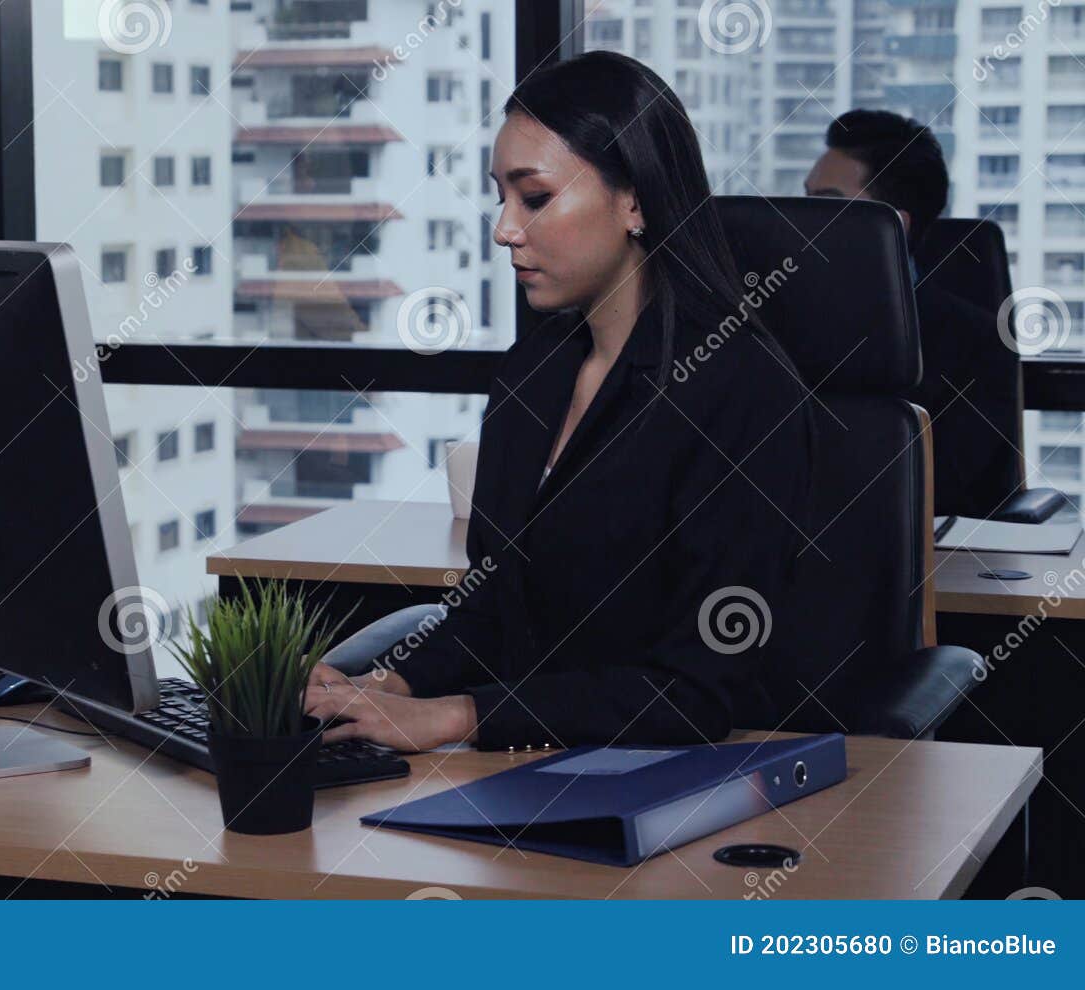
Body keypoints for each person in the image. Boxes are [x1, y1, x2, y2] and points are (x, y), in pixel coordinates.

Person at [304, 52, 815, 752]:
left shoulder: (742, 389)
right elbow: (496, 611)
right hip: (531, 768)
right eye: (500, 198)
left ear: (634, 200)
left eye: (535, 198)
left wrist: (460, 717)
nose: (505, 229)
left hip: (693, 789)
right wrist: (392, 686)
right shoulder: (534, 370)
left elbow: (696, 695)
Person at [805, 108, 1018, 517]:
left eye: (825, 204)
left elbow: (960, 495)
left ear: (892, 225)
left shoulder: (975, 344)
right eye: (803, 199)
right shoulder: (767, 323)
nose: (800, 221)